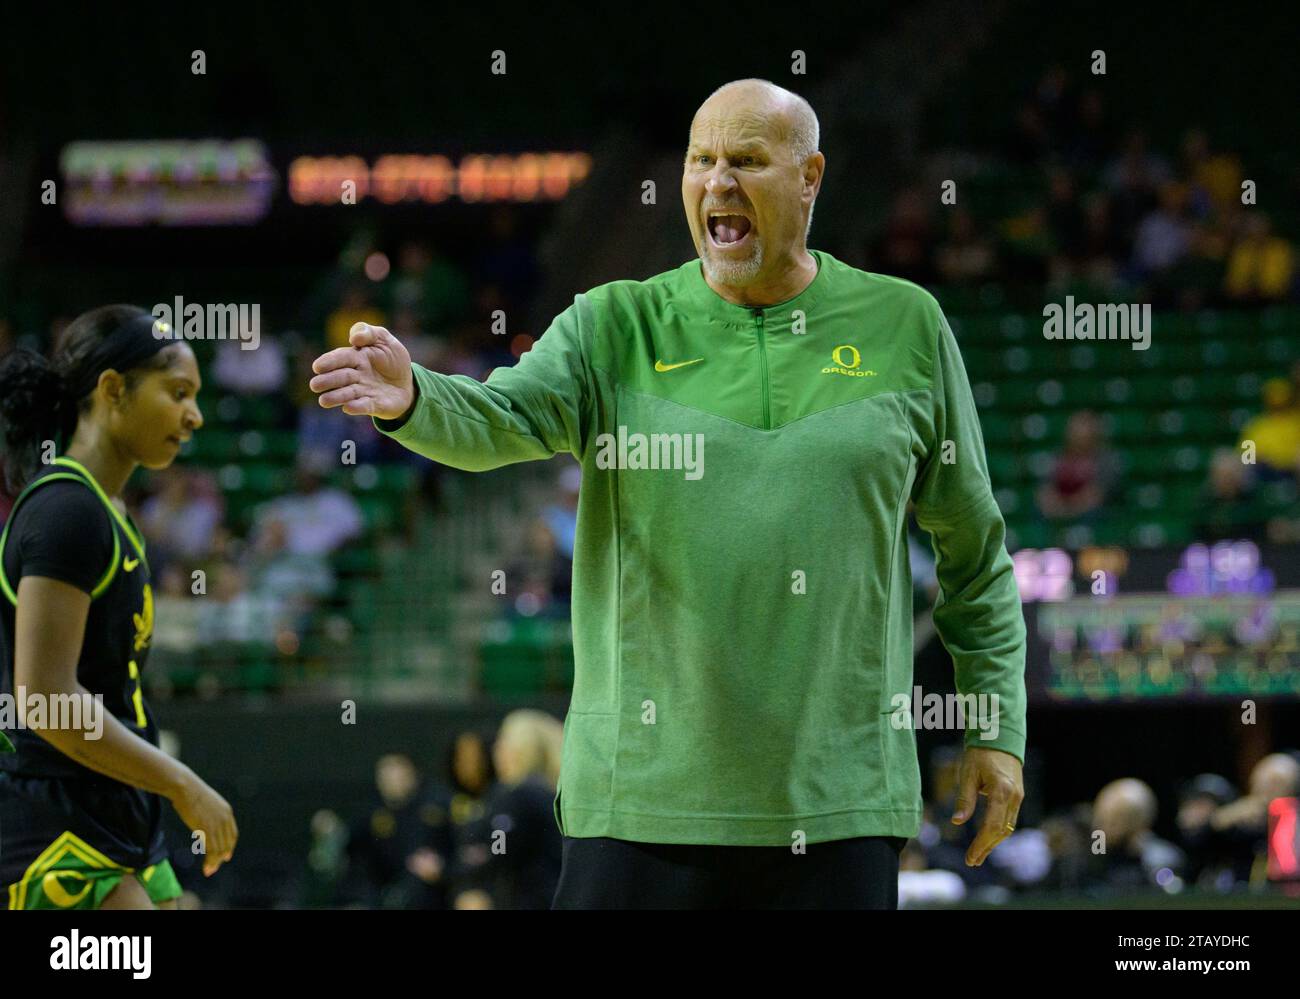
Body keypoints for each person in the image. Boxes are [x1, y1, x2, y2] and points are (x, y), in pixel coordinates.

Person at [310, 79, 1026, 910]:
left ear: (811, 177)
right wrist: (412, 399)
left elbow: (974, 554)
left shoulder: (906, 323)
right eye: (701, 160)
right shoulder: (614, 325)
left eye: (748, 160)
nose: (718, 182)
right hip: (638, 807)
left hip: (839, 805)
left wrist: (996, 727)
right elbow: (500, 416)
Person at [0, 304, 237, 909]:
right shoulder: (66, 511)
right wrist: (182, 784)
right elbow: (47, 700)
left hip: (114, 810)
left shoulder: (116, 517)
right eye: (178, 392)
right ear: (112, 389)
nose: (195, 416)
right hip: (56, 823)